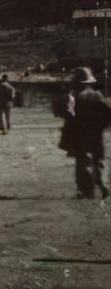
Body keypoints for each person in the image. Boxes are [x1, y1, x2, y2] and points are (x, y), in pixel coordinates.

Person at [59, 67, 111, 199]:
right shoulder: (98, 97)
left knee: (83, 162)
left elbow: (67, 117)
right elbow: (108, 116)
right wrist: (99, 127)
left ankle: (86, 190)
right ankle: (101, 184)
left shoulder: (73, 99)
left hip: (80, 135)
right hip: (96, 135)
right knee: (98, 160)